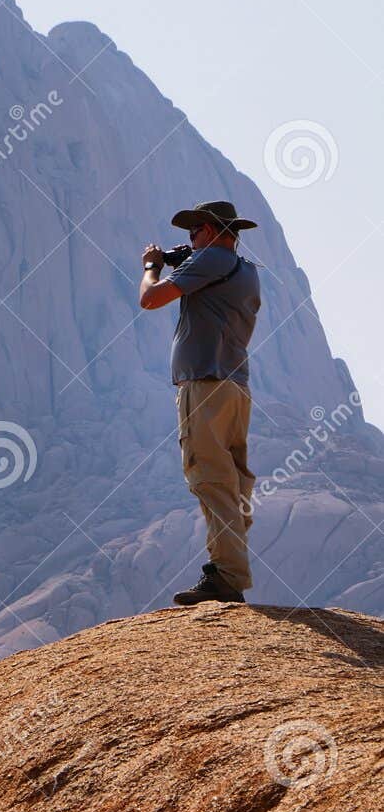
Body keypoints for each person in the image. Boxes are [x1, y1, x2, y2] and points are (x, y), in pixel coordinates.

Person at [140, 199, 261, 605]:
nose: (189, 241)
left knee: (209, 477)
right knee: (234, 482)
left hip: (205, 386)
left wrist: (152, 266)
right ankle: (230, 568)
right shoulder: (243, 270)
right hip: (234, 387)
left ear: (209, 231)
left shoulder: (211, 261)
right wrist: (186, 262)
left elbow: (151, 298)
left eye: (193, 233)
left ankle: (227, 577)